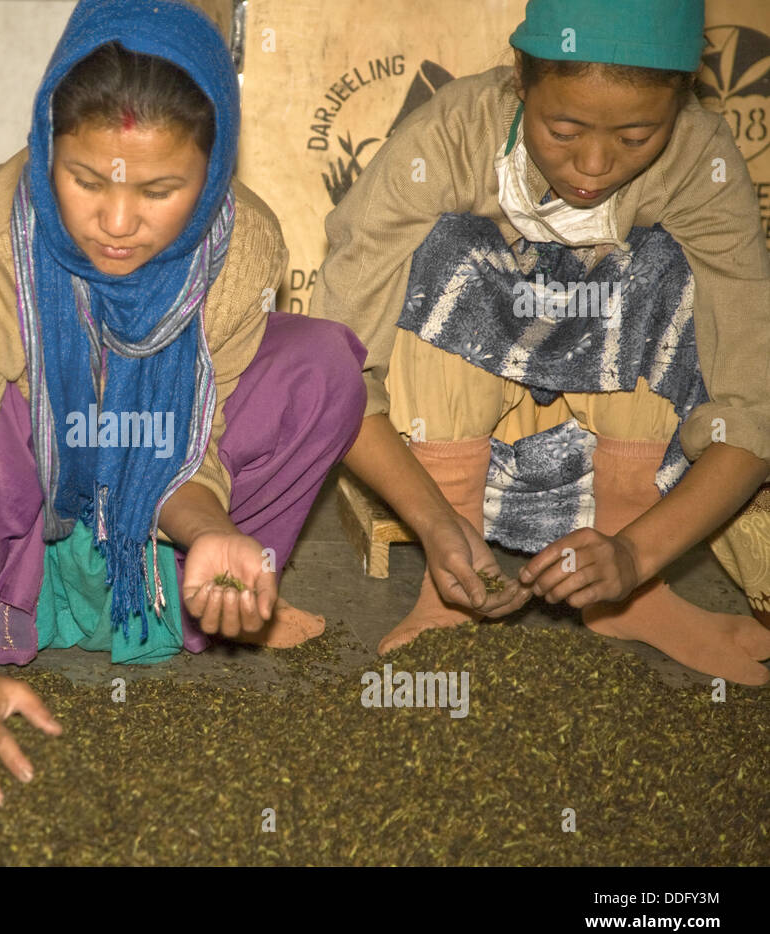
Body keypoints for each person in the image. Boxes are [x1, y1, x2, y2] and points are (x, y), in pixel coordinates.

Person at [0, 0, 504, 816]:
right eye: (85, 180)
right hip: (13, 491)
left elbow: (192, 439)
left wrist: (211, 527)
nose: (117, 224)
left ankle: (172, 589)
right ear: (50, 146)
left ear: (214, 169)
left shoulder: (241, 244)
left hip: (139, 488)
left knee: (322, 365)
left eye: (160, 189)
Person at [313, 0, 770, 685]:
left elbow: (753, 402)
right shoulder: (450, 138)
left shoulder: (699, 160)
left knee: (661, 264)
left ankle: (633, 603)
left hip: (608, 471)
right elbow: (336, 367)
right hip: (460, 457)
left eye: (637, 136)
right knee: (446, 249)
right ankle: (454, 586)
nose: (594, 163)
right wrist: (434, 522)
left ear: (681, 104)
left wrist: (634, 559)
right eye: (563, 128)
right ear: (520, 82)